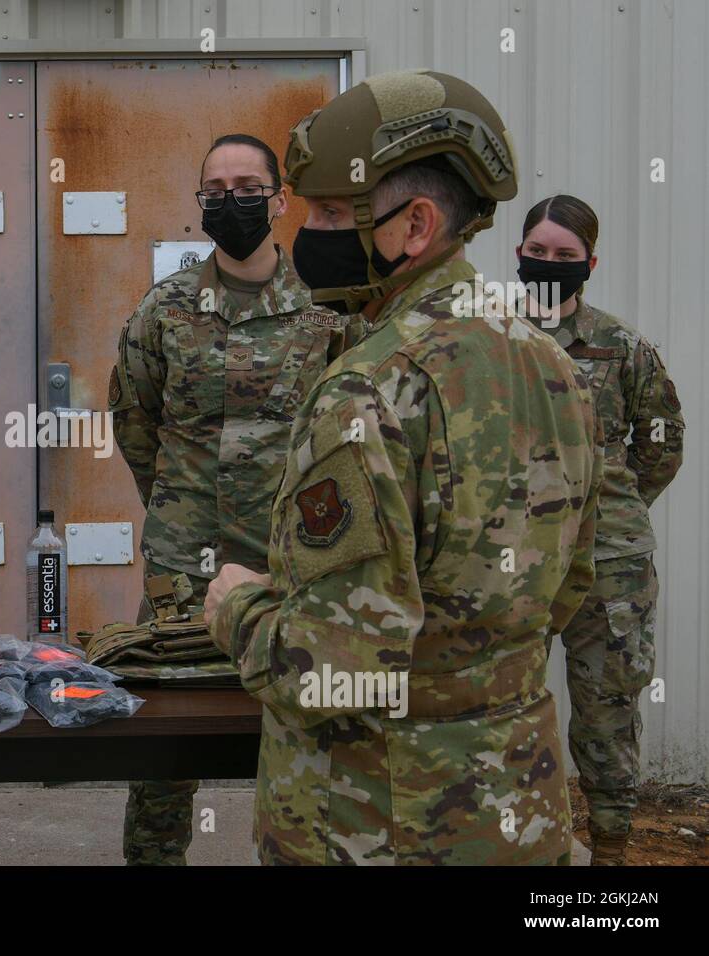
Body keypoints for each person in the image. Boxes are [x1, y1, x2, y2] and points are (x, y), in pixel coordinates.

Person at [204, 70, 604, 865]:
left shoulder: (369, 386)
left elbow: (331, 670)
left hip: (376, 820)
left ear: (414, 226)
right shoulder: (553, 365)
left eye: (325, 214)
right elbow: (570, 584)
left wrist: (235, 608)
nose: (304, 234)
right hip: (517, 811)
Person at [109, 133, 345, 865]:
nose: (229, 199)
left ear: (279, 199)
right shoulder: (167, 307)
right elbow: (135, 419)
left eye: (247, 185)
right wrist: (180, 502)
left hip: (295, 559)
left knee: (306, 724)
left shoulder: (328, 305)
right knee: (164, 743)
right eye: (214, 187)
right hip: (185, 559)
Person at [515, 195, 684, 864]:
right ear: (519, 255)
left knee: (607, 708)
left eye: (565, 256)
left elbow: (663, 441)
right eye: (538, 253)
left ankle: (609, 852)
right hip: (509, 561)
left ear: (590, 263)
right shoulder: (489, 338)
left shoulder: (622, 346)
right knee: (504, 705)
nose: (549, 265)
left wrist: (614, 504)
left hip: (610, 563)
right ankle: (520, 842)